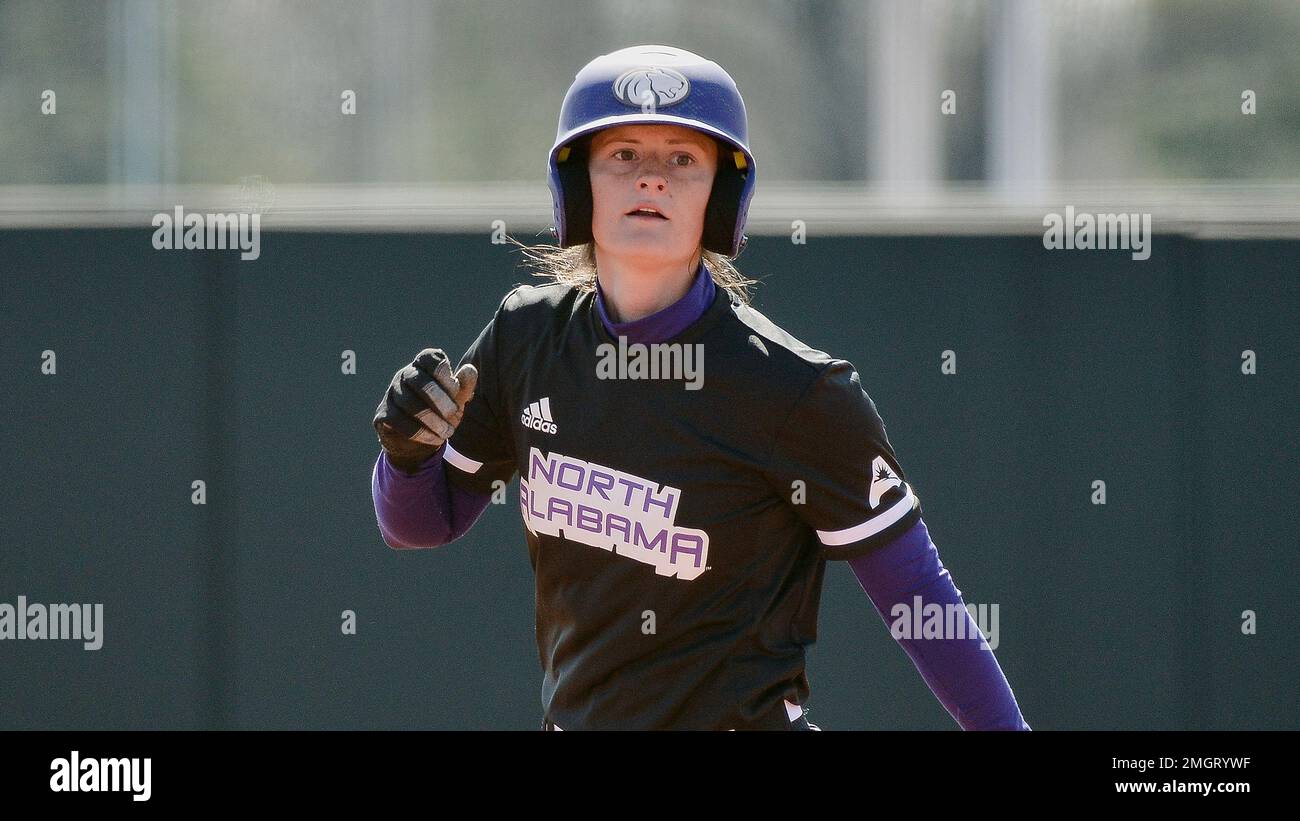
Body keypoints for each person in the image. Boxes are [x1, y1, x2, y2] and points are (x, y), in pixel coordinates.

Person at [371, 44, 1030, 731]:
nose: (651, 179)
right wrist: (407, 456)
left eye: (683, 159)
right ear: (578, 185)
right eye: (623, 154)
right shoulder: (525, 340)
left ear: (721, 195)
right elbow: (420, 524)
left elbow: (919, 597)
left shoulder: (793, 390)